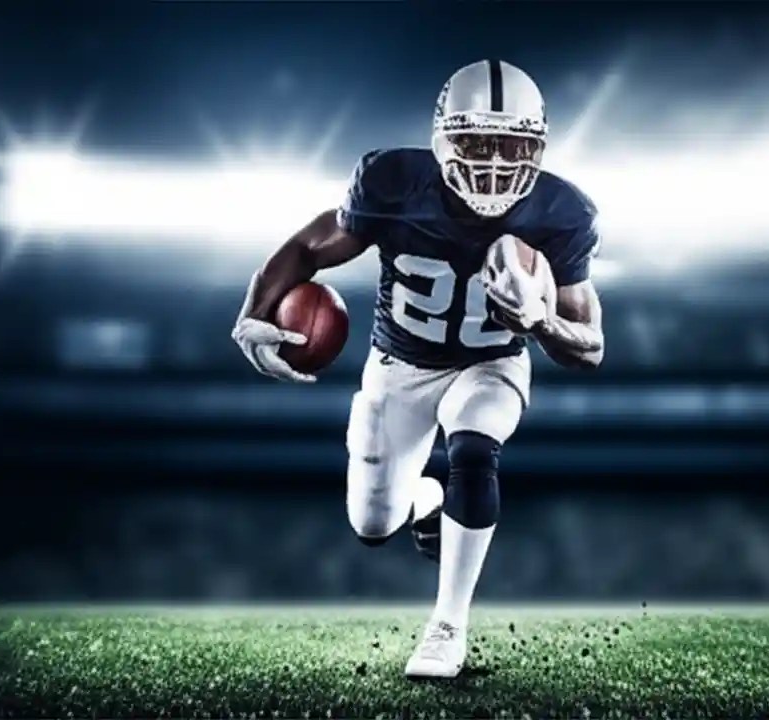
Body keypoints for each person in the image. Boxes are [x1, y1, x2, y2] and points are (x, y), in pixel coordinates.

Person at [232, 59, 604, 678]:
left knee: (475, 445)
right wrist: (251, 317)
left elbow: (590, 346)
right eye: (476, 142)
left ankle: (447, 628)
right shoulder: (392, 182)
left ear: (538, 147)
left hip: (491, 364)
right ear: (442, 140)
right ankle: (424, 499)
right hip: (399, 365)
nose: (492, 163)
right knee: (372, 524)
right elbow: (307, 248)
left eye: (511, 145)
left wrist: (539, 323)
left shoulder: (562, 213)